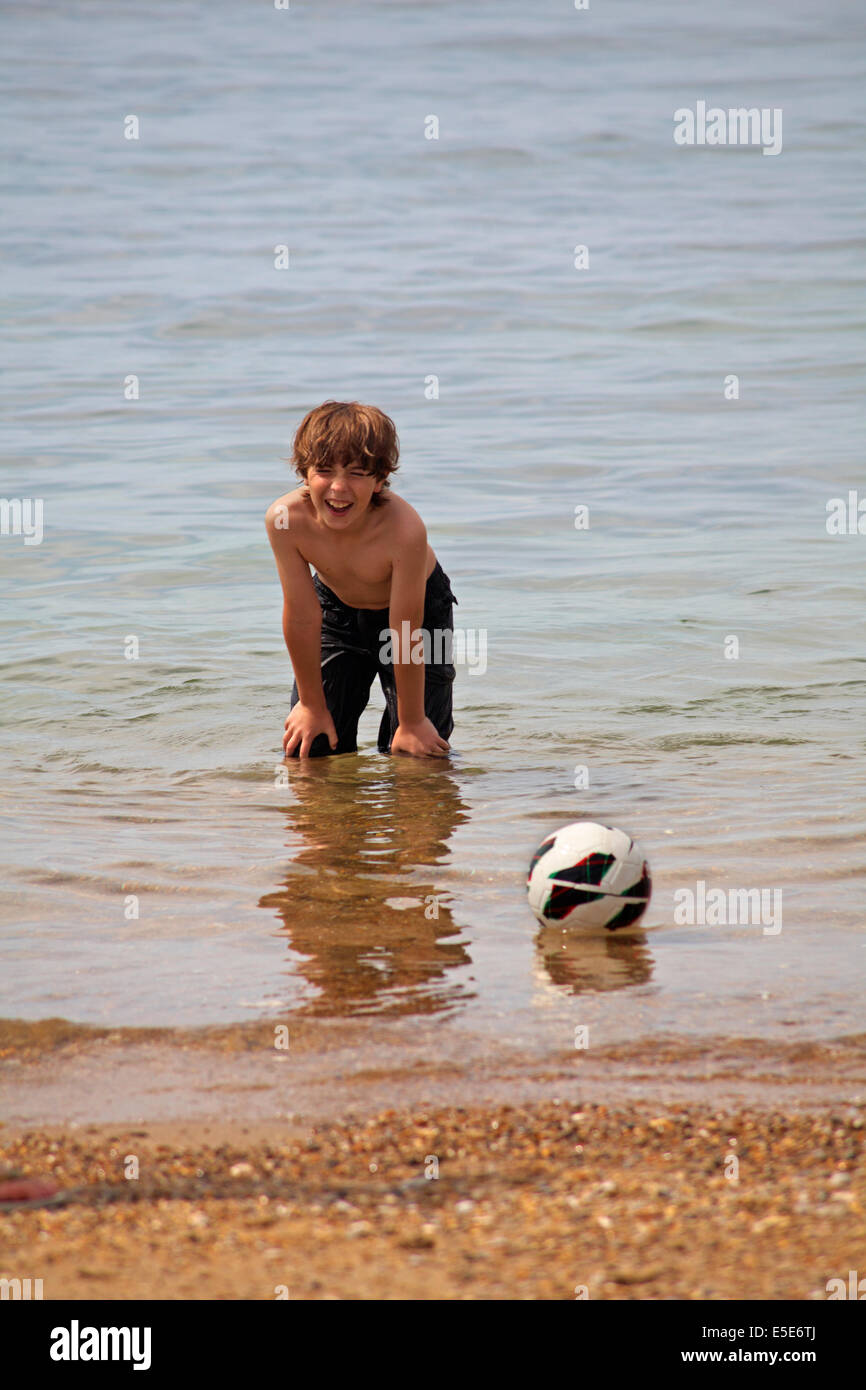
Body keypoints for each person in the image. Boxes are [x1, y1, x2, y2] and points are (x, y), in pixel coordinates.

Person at [265, 400, 458, 759]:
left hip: (417, 619)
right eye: (324, 470)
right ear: (304, 472)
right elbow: (303, 615)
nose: (339, 488)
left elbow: (405, 629)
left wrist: (413, 720)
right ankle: (335, 815)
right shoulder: (285, 520)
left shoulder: (404, 529)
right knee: (312, 746)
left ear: (381, 479)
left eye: (357, 473)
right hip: (336, 612)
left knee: (417, 753)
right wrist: (310, 704)